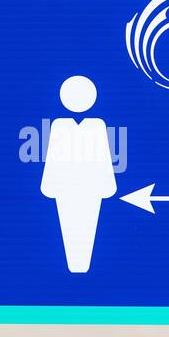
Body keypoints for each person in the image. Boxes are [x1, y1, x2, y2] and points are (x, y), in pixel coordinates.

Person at [40, 76, 117, 273]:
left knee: (86, 228)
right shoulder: (60, 126)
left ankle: (81, 268)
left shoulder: (96, 126)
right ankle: (75, 268)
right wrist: (48, 185)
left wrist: (108, 185)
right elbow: (53, 158)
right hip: (65, 187)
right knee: (70, 228)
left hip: (91, 187)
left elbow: (104, 157)